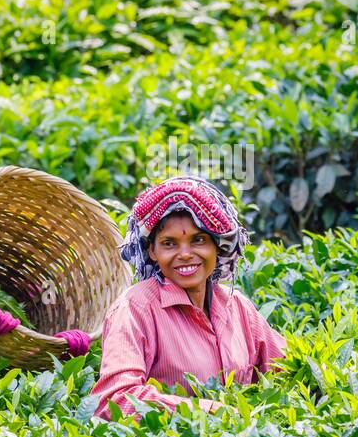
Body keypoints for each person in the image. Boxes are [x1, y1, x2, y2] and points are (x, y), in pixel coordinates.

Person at [91, 175, 286, 420]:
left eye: (198, 240)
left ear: (217, 245)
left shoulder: (238, 307)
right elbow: (115, 400)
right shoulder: (135, 309)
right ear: (153, 250)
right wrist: (207, 411)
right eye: (169, 243)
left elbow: (288, 371)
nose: (185, 254)